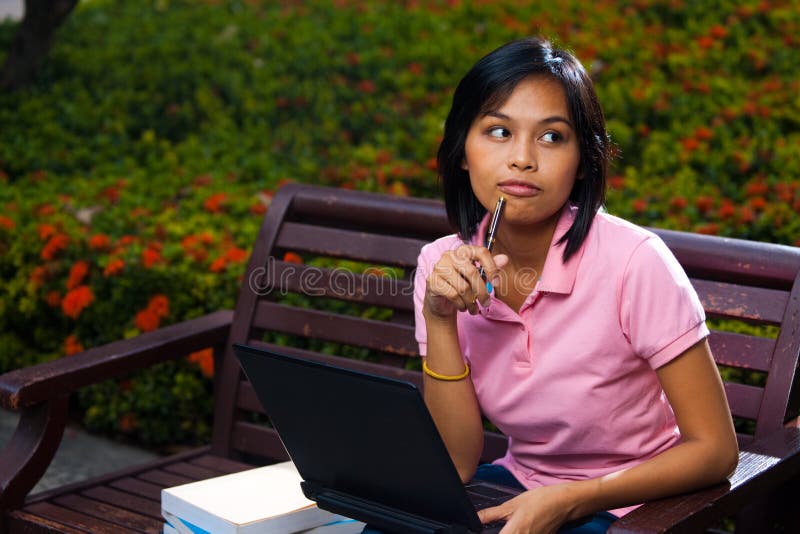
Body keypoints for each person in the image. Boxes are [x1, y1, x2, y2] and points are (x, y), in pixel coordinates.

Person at [411, 37, 738, 533]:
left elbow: (715, 450)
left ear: (584, 160)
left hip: (637, 501)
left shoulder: (635, 262)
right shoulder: (440, 265)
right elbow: (456, 464)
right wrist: (439, 318)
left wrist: (570, 499)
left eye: (551, 137)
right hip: (523, 482)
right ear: (462, 151)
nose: (522, 158)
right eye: (499, 131)